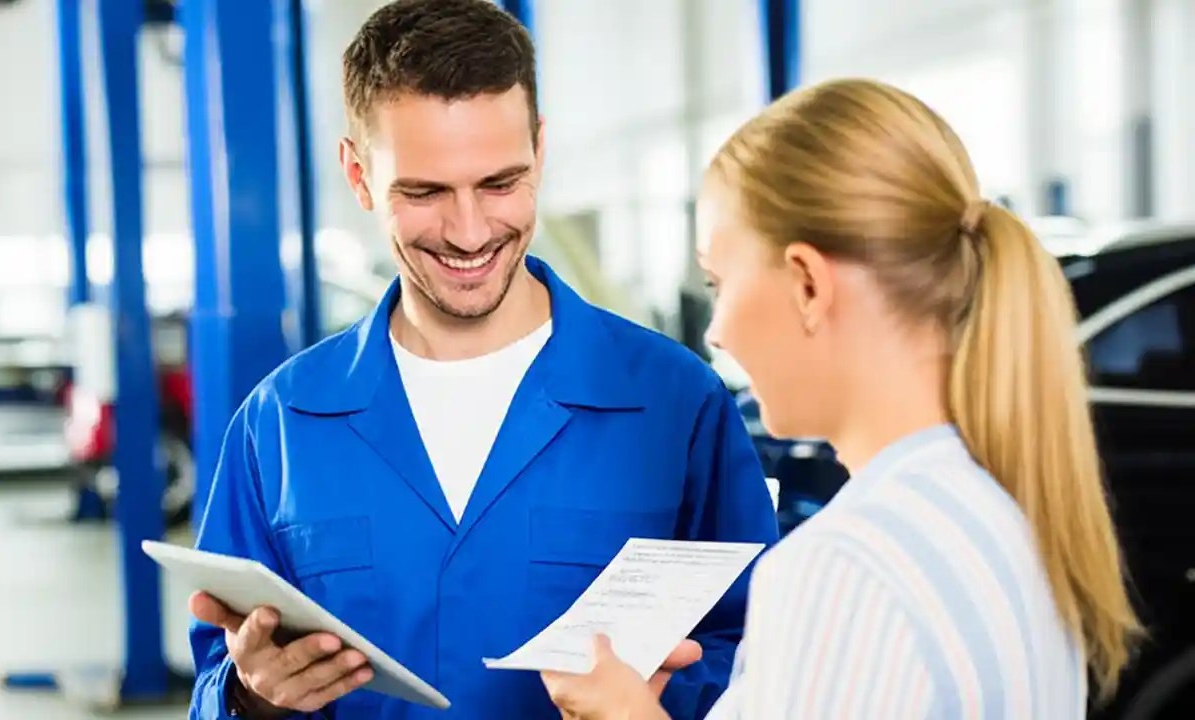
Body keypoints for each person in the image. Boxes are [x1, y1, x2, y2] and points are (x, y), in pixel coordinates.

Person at [185, 1, 780, 718]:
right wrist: (253, 698)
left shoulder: (676, 404)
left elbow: (757, 658)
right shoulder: (278, 425)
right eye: (426, 191)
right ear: (358, 173)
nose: (470, 232)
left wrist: (662, 700)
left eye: (500, 184)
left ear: (540, 149)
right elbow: (219, 679)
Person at [540, 78, 1142, 719]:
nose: (716, 331)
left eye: (719, 282)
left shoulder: (844, 567)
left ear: (806, 284)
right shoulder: (1017, 525)